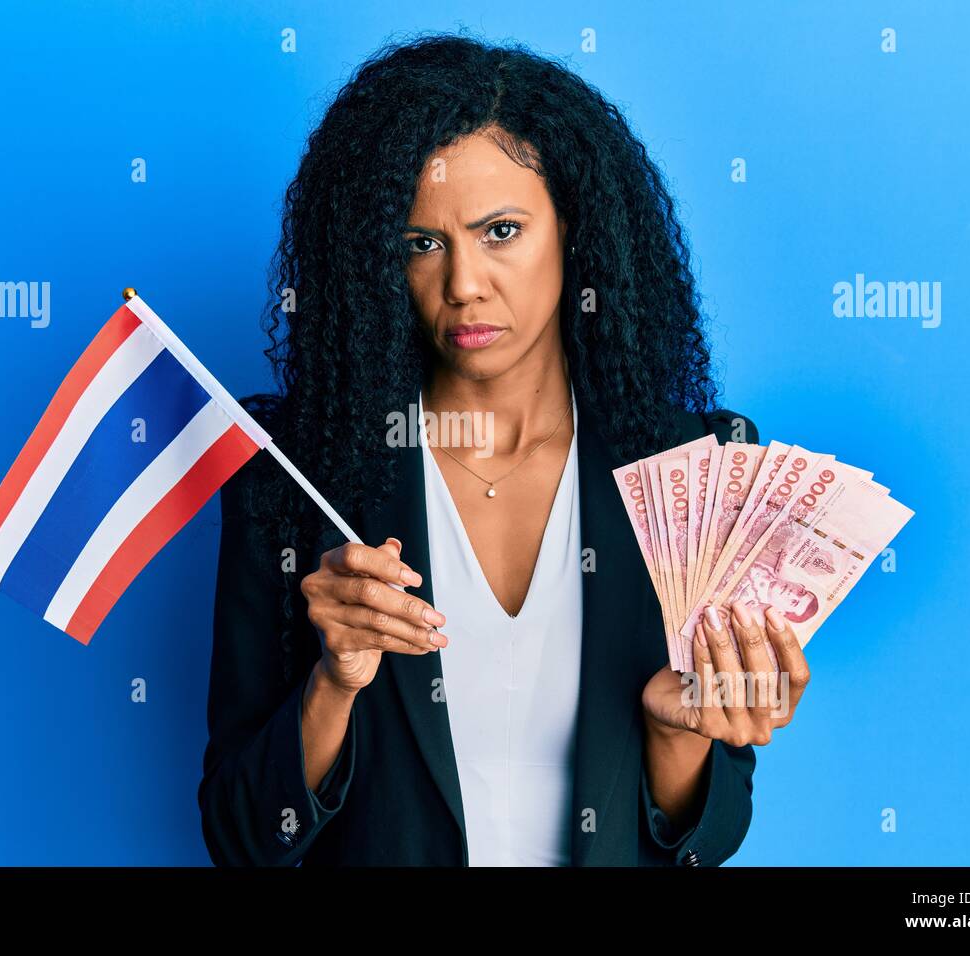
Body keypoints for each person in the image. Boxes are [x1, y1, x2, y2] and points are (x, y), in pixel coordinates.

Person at [198, 33, 812, 866]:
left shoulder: (697, 472)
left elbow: (708, 837)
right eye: (421, 244)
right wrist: (333, 684)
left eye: (501, 230)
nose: (463, 284)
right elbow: (239, 834)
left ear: (576, 233)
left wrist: (678, 735)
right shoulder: (295, 479)